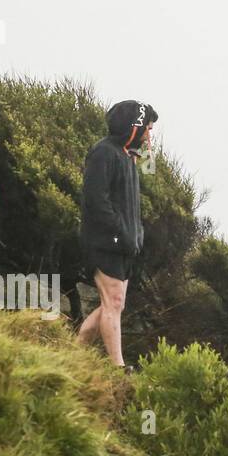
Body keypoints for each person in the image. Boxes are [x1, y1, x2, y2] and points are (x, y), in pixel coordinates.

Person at [76, 100, 159, 368]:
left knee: (112, 304)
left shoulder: (127, 156)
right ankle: (118, 368)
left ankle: (73, 355)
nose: (149, 134)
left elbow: (128, 205)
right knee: (114, 301)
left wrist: (136, 234)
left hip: (123, 243)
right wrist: (119, 231)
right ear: (133, 127)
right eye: (146, 127)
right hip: (104, 242)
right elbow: (95, 200)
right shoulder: (103, 153)